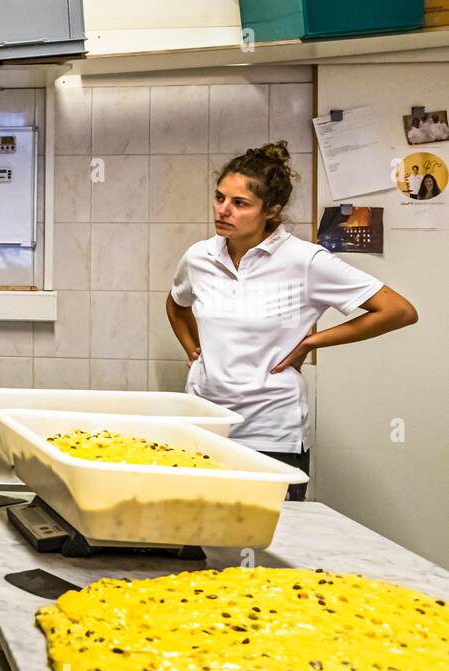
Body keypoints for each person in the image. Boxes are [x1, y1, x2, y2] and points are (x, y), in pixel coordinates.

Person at [166, 142, 418, 501]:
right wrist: (194, 350)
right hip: (204, 422)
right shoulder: (199, 257)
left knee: (277, 542)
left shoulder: (306, 261)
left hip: (271, 430)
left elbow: (398, 310)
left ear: (272, 210)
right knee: (194, 539)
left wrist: (312, 342)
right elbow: (177, 305)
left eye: (240, 204)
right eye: (220, 198)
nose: (223, 210)